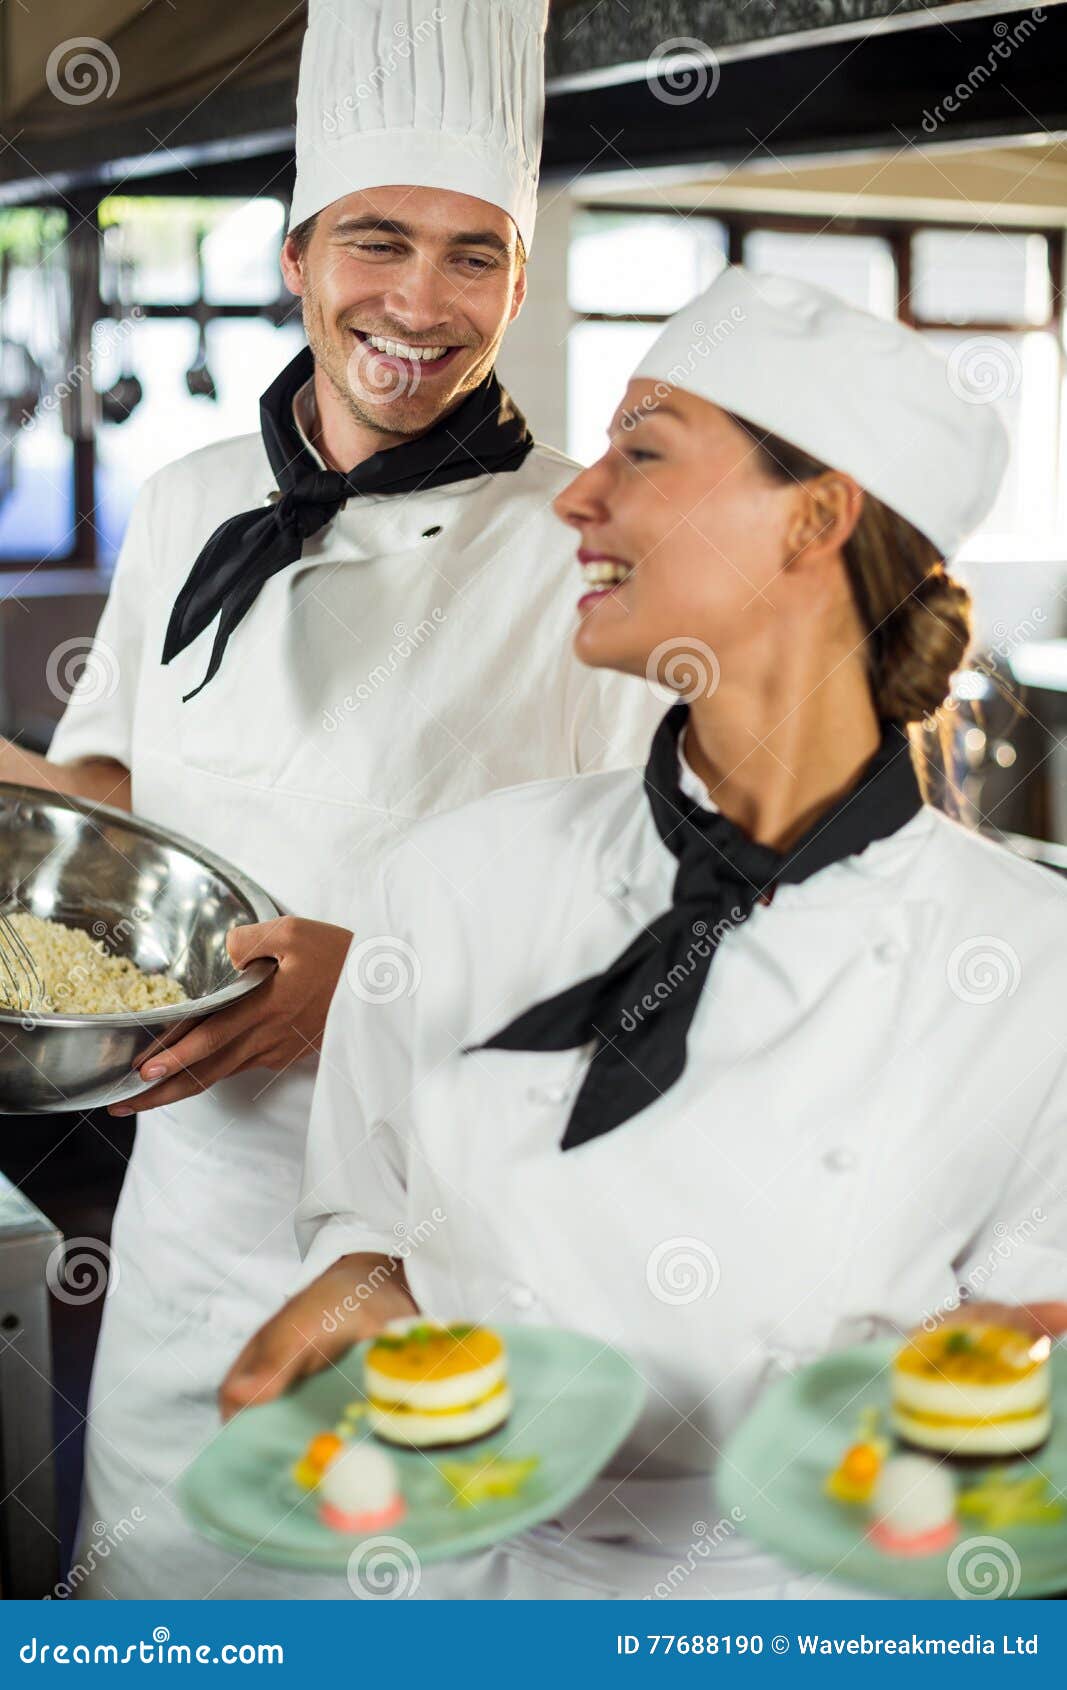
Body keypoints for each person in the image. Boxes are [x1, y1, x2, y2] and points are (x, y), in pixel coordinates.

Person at [224, 267, 1067, 1600]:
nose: (577, 490)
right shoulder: (447, 887)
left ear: (815, 519)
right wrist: (354, 1299)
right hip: (476, 1599)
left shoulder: (1035, 963)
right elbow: (369, 1218)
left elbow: (1024, 1367)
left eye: (644, 449)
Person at [2, 0, 656, 1598]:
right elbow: (110, 790)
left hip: (439, 1261)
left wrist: (363, 986)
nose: (421, 306)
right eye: (377, 240)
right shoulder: (189, 501)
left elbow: (678, 928)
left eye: (475, 254)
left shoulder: (593, 545)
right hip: (182, 1235)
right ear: (297, 257)